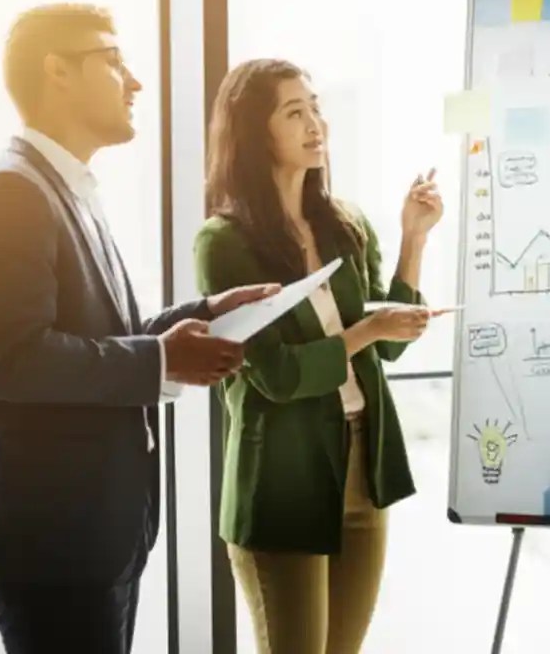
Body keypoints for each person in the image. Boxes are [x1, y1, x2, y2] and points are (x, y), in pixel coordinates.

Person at [0, 4, 277, 654]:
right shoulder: (6, 196)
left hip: (94, 537)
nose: (136, 81)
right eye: (114, 60)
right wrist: (158, 360)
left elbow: (98, 337)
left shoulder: (64, 191)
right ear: (57, 72)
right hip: (54, 544)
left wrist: (201, 315)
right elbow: (9, 359)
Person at [194, 58, 445, 654]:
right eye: (294, 112)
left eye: (316, 107)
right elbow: (277, 375)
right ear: (256, 131)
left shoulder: (345, 223)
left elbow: (386, 347)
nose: (315, 124)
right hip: (281, 480)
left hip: (363, 465)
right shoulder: (225, 242)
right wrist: (367, 329)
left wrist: (414, 238)